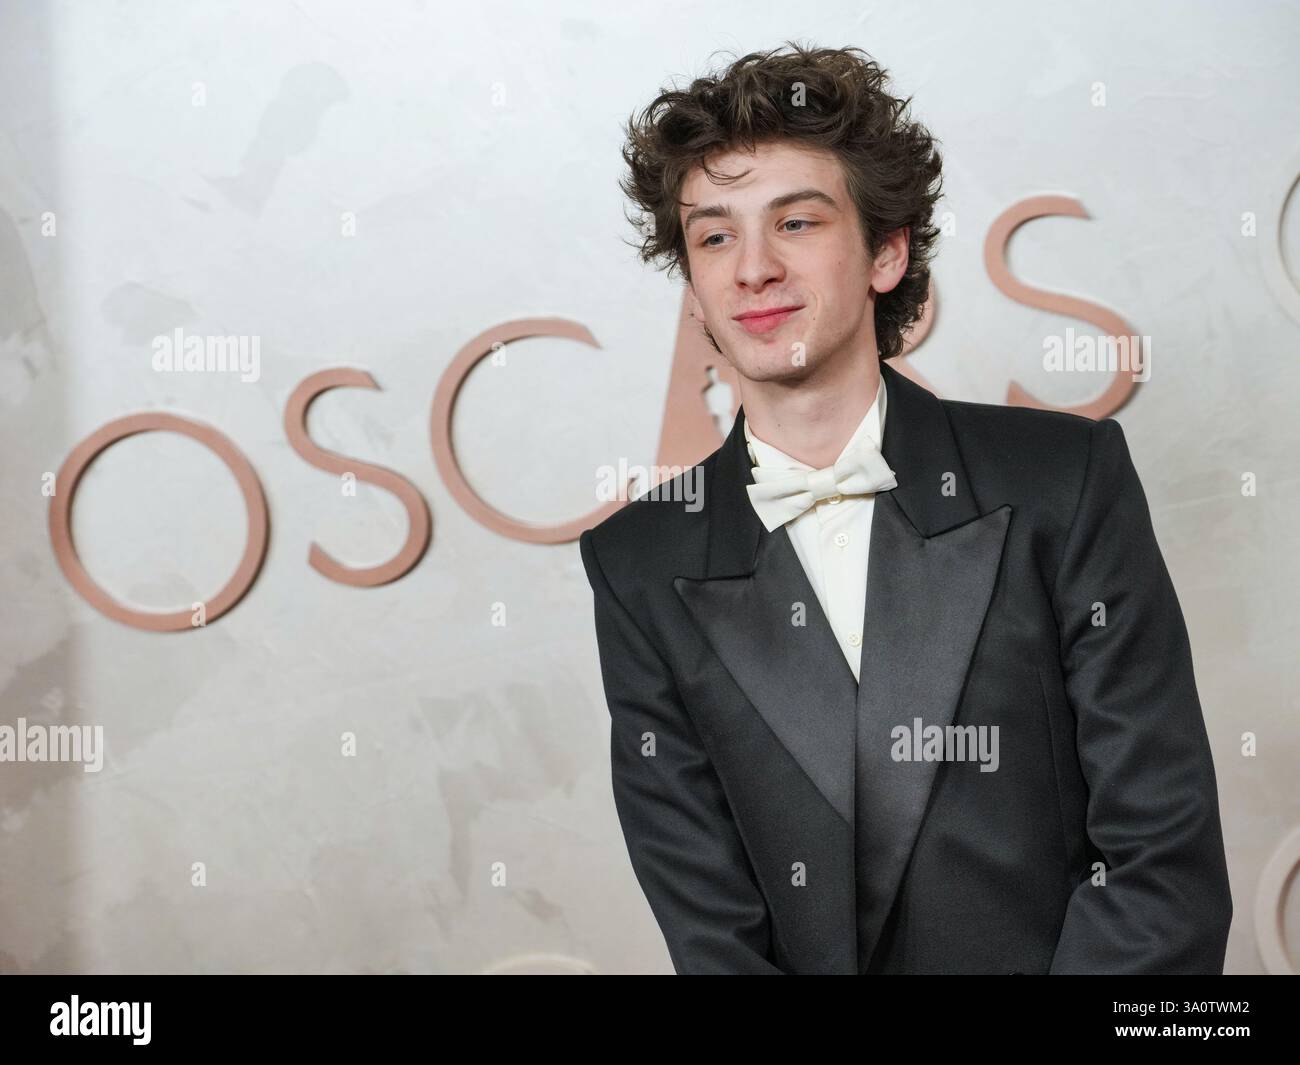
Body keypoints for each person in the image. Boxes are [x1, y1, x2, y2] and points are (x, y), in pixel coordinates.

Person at [579, 42, 1232, 974]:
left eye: (796, 223)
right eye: (716, 235)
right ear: (694, 290)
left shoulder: (1064, 477)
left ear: (887, 252)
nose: (753, 268)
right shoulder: (635, 560)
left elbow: (1159, 857)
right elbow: (709, 924)